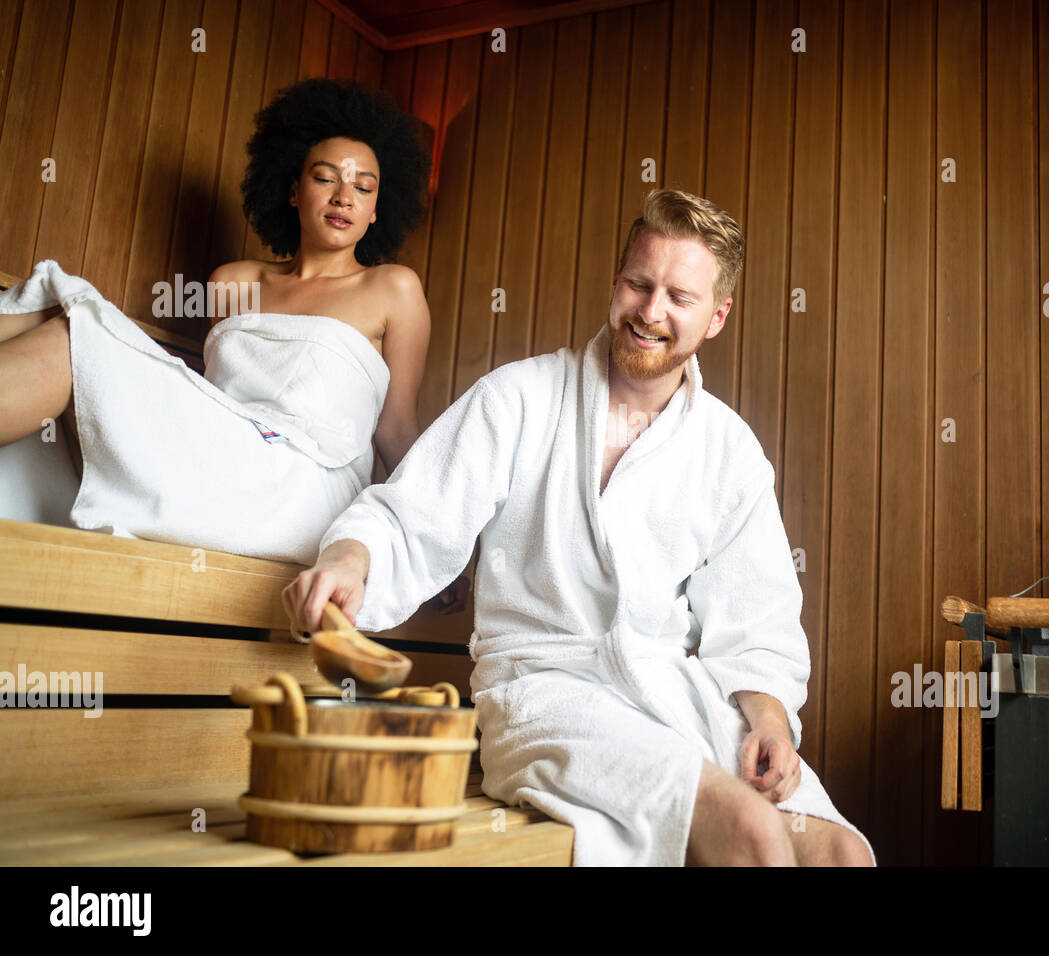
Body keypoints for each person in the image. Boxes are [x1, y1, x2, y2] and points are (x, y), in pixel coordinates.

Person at [282, 188, 876, 866]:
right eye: (638, 284)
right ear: (615, 281)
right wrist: (353, 560)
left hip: (670, 694)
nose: (651, 312)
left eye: (680, 298)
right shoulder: (521, 398)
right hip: (542, 694)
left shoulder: (729, 451)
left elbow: (758, 617)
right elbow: (410, 513)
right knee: (751, 832)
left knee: (841, 856)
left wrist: (768, 718)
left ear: (717, 316)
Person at [0, 79, 464, 606]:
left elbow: (396, 429)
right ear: (293, 190)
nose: (343, 197)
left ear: (378, 208)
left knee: (72, 335)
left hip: (303, 485)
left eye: (364, 187)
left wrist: (425, 544)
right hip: (222, 452)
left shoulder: (393, 288)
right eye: (325, 178)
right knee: (60, 318)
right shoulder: (231, 282)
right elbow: (211, 397)